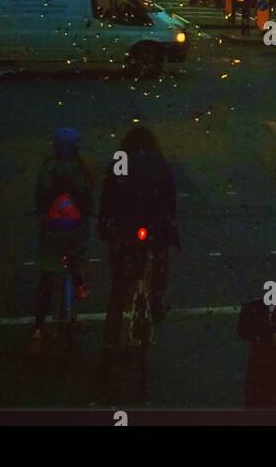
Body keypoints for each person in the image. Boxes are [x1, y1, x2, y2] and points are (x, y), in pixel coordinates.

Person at [97, 125, 179, 365]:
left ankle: (108, 347)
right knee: (159, 256)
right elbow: (169, 198)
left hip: (124, 230)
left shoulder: (121, 160)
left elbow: (109, 197)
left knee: (119, 290)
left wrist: (104, 226)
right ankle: (156, 298)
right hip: (154, 227)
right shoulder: (159, 161)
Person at [30, 127, 95, 356]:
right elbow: (87, 200)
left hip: (52, 229)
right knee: (76, 252)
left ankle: (37, 329)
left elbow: (40, 198)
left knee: (46, 280)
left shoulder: (48, 168)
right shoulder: (81, 168)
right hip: (75, 228)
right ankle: (79, 285)